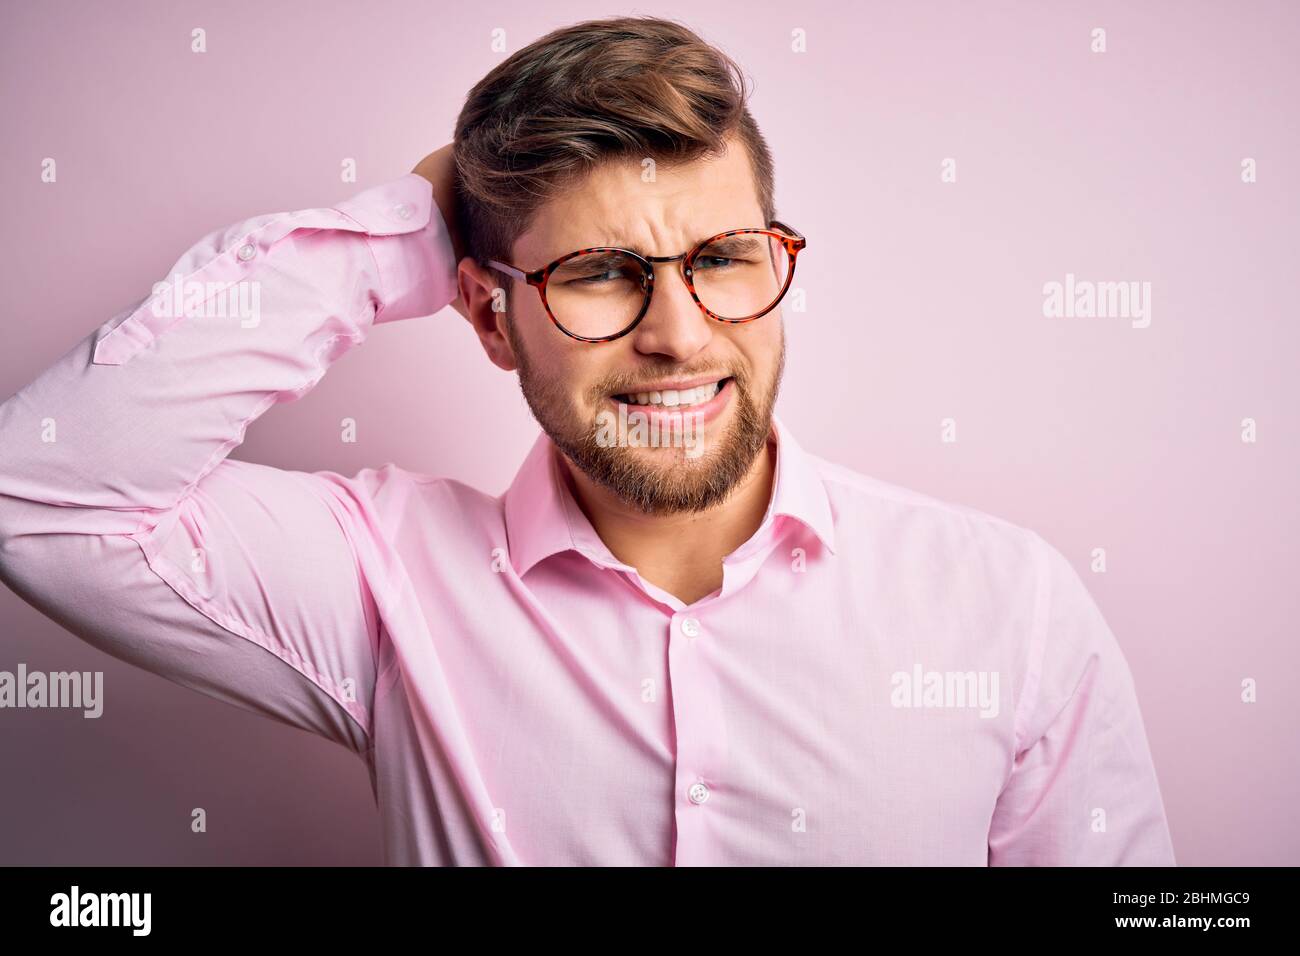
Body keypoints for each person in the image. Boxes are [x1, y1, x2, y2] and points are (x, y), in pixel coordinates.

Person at [0, 15, 1175, 866]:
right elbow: (38, 494)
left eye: (721, 258)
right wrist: (401, 233)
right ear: (486, 314)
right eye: (601, 274)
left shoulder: (1005, 605)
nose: (679, 333)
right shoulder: (384, 583)